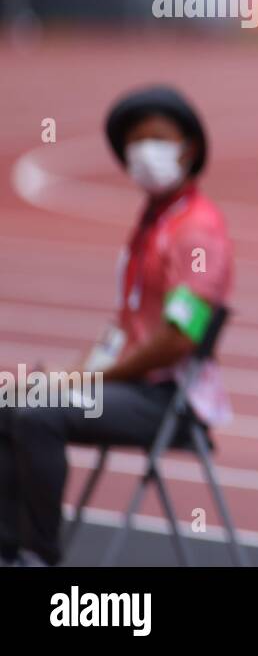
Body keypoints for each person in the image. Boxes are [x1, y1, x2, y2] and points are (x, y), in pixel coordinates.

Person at [0, 85, 233, 566]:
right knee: (13, 397)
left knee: (36, 413)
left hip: (166, 399)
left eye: (156, 138)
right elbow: (122, 330)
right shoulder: (154, 221)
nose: (142, 151)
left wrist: (92, 379)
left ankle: (36, 554)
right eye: (134, 142)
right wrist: (69, 373)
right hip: (130, 385)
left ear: (187, 147)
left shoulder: (197, 230)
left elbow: (177, 341)